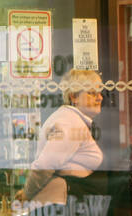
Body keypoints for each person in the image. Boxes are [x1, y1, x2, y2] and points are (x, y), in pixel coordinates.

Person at [15, 68, 104, 207]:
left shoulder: (70, 119)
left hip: (65, 202)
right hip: (63, 205)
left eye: (99, 93)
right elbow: (45, 165)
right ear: (74, 97)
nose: (100, 98)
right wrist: (27, 194)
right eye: (92, 93)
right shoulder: (70, 122)